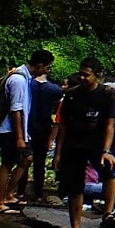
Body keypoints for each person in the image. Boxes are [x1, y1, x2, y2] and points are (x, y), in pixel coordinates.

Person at [52, 59, 115, 228]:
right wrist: (57, 153)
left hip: (98, 142)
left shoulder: (107, 93)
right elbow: (63, 125)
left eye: (86, 75)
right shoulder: (72, 94)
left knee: (110, 171)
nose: (82, 77)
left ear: (97, 76)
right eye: (80, 73)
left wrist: (107, 150)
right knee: (74, 185)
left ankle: (108, 213)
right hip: (74, 143)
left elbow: (111, 124)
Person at [0, 50, 52, 215]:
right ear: (39, 65)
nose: (47, 71)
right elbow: (16, 110)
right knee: (7, 164)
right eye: (47, 67)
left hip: (18, 131)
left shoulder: (25, 78)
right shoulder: (18, 79)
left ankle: (9, 194)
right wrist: (20, 137)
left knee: (26, 159)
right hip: (10, 130)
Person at [28, 62, 64, 203]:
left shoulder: (28, 85)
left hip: (28, 126)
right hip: (44, 128)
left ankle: (19, 190)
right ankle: (38, 192)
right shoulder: (54, 89)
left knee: (24, 161)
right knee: (39, 162)